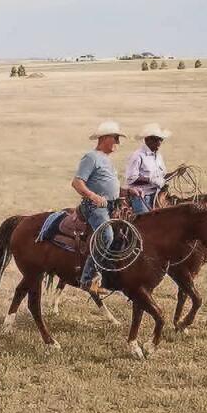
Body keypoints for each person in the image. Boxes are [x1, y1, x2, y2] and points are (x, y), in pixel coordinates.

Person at [72, 121, 126, 296]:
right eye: (115, 138)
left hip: (111, 205)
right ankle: (87, 279)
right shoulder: (91, 157)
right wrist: (94, 196)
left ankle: (110, 278)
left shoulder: (107, 160)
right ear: (104, 138)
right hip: (95, 206)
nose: (118, 142)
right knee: (106, 235)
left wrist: (128, 191)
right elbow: (77, 182)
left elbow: (109, 185)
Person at [125, 123, 171, 214]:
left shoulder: (159, 156)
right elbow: (131, 179)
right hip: (142, 196)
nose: (159, 142)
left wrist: (176, 172)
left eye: (161, 139)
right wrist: (151, 180)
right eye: (156, 139)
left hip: (157, 196)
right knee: (144, 223)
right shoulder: (137, 156)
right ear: (147, 140)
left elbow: (163, 176)